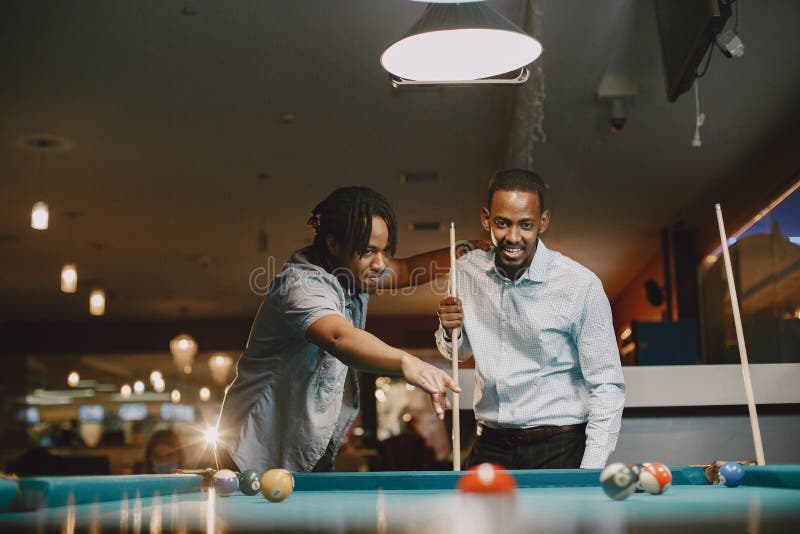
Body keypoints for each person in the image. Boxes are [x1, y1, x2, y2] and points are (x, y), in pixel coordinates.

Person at [217, 186, 467, 474]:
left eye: (385, 251)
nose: (380, 263)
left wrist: (471, 250)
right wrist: (406, 361)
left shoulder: (355, 272)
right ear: (334, 245)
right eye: (368, 251)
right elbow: (339, 337)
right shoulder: (301, 285)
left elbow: (408, 270)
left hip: (302, 456)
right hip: (251, 455)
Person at [435, 169, 625, 469]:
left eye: (526, 225)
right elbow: (457, 354)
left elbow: (607, 385)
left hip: (559, 444)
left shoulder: (580, 285)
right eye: (502, 223)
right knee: (475, 517)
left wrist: (590, 469)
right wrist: (450, 332)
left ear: (543, 222)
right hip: (491, 441)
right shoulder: (464, 273)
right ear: (487, 219)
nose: (513, 237)